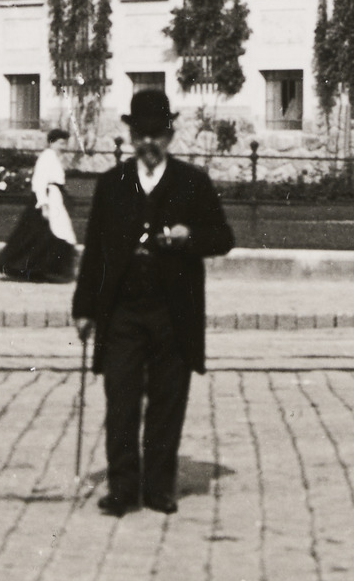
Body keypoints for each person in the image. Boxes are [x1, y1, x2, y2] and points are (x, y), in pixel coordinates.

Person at [69, 87, 234, 516]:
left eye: (156, 135)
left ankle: (159, 487)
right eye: (141, 135)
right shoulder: (112, 184)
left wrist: (189, 237)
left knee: (167, 400)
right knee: (121, 399)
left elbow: (223, 238)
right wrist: (84, 308)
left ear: (169, 135)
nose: (148, 143)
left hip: (172, 313)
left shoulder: (192, 183)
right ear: (130, 134)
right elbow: (96, 250)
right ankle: (123, 487)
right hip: (122, 311)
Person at [0, 125, 80, 283]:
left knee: (49, 235)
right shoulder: (47, 157)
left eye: (65, 144)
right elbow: (39, 181)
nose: (63, 147)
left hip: (55, 198)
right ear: (51, 143)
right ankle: (24, 269)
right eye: (60, 143)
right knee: (38, 235)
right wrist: (44, 204)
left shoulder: (54, 158)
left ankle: (48, 271)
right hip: (46, 198)